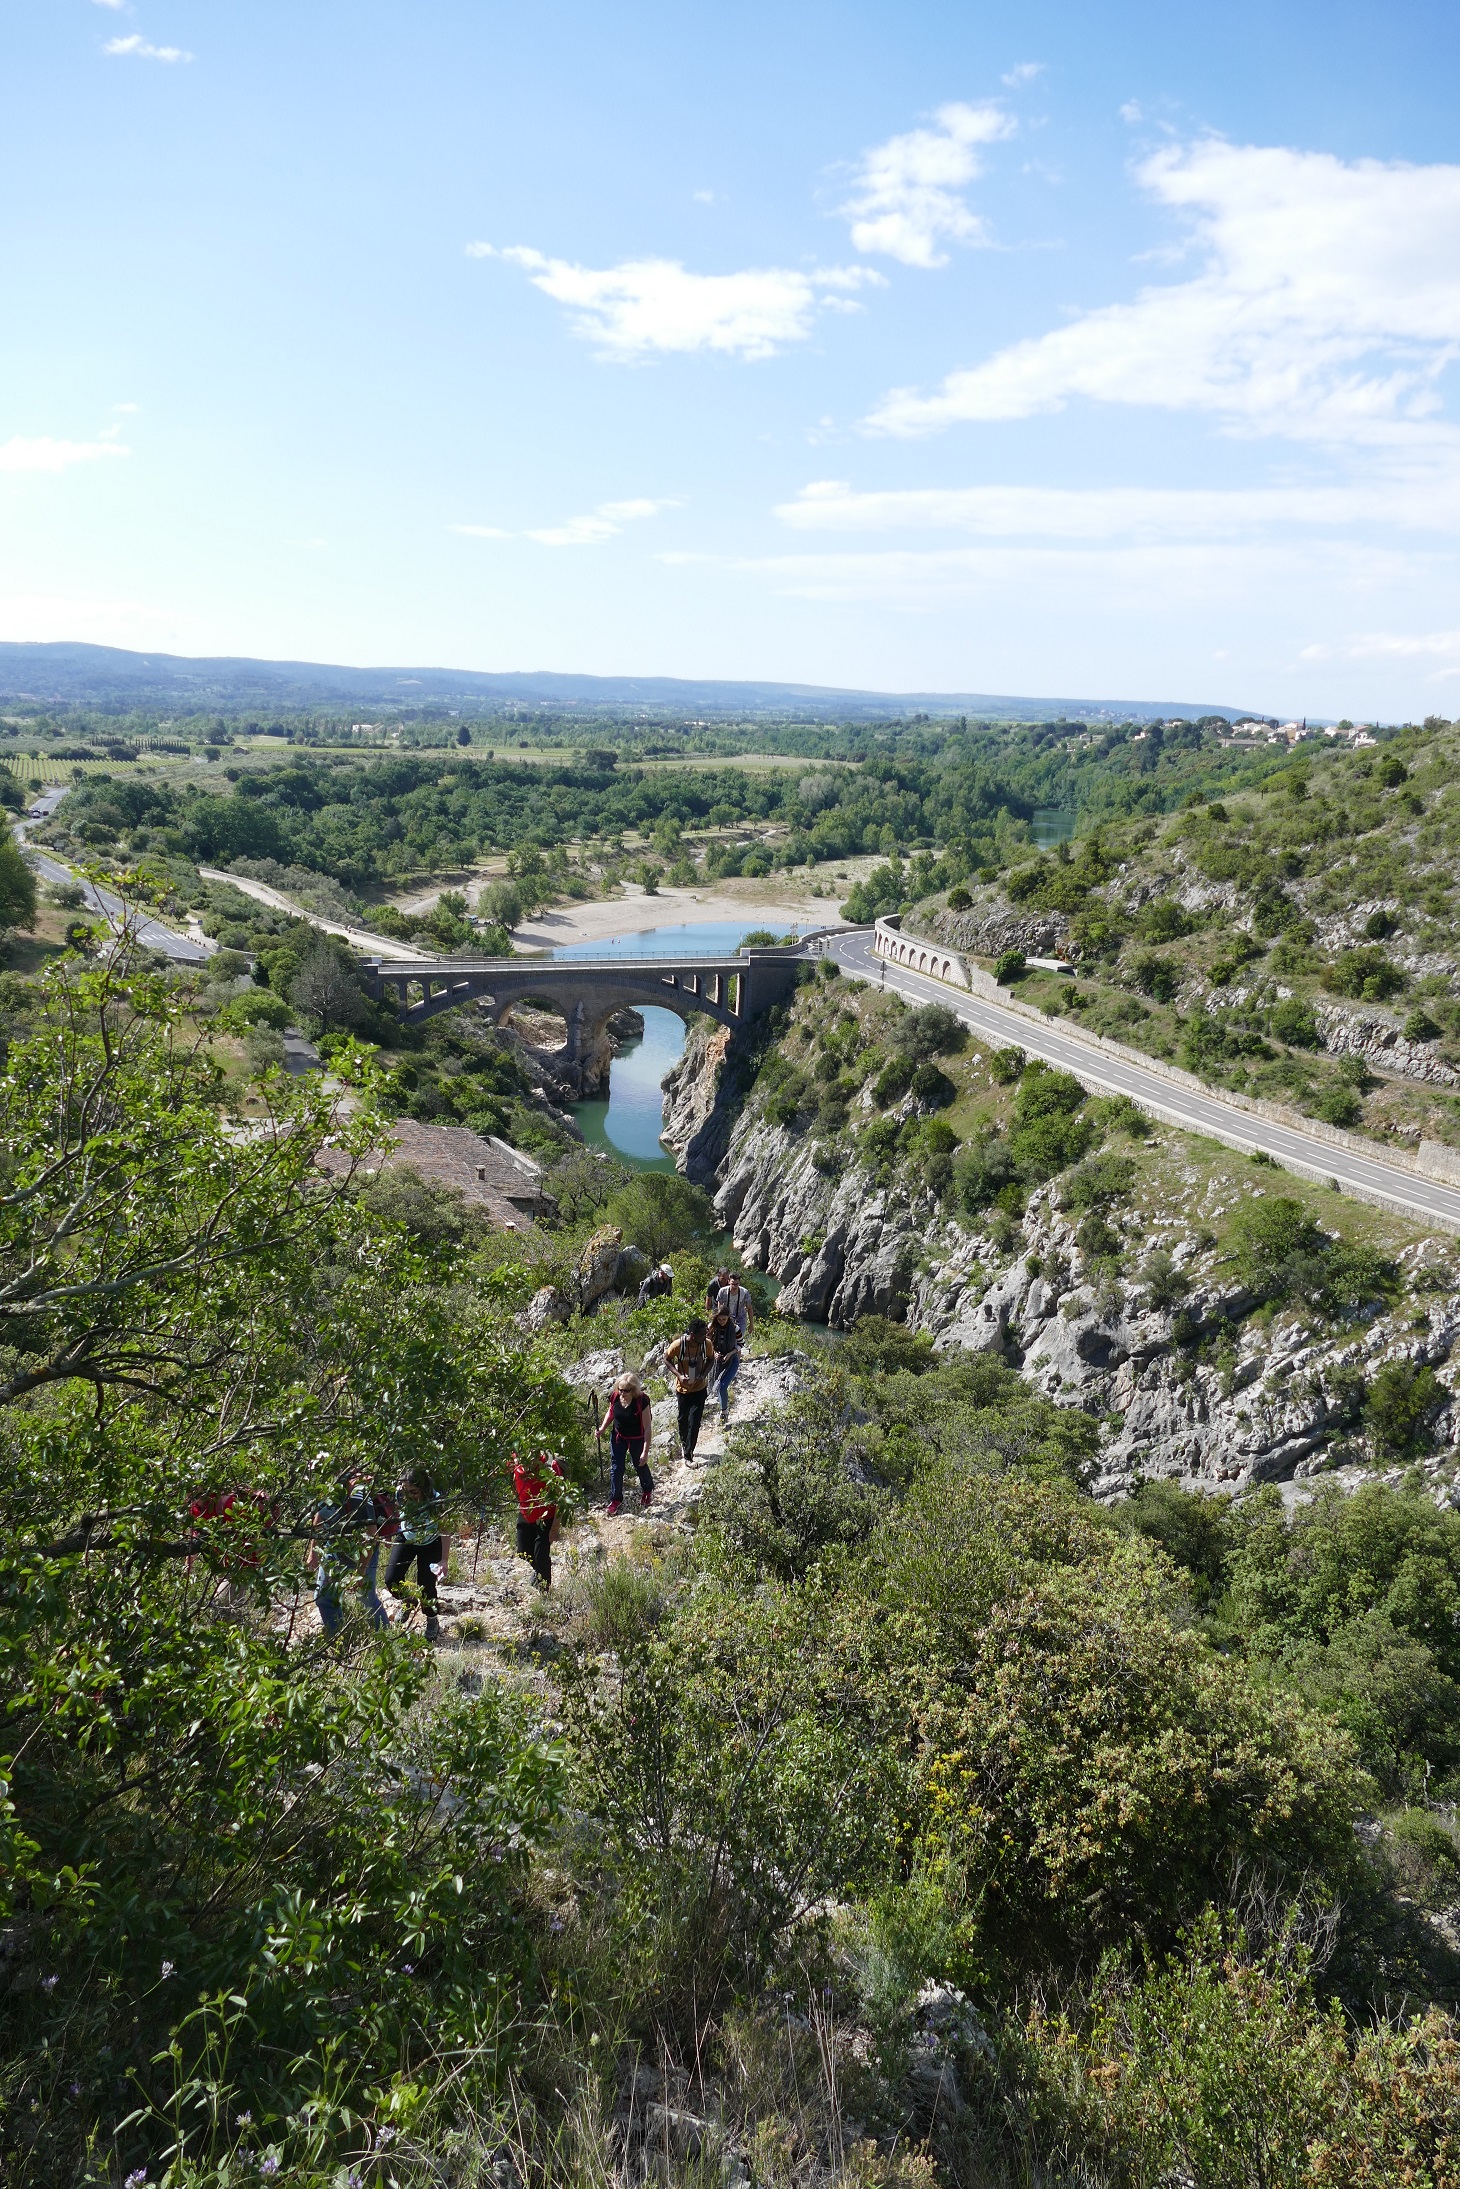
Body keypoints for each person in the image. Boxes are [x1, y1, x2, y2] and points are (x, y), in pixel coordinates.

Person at [310, 1468, 389, 1638]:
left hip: (362, 1553)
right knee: (324, 1598)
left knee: (366, 1598)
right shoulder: (327, 1492)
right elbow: (319, 1516)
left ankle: (386, 1636)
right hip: (334, 1551)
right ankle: (337, 1637)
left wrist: (359, 1571)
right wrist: (313, 1552)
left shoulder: (359, 1497)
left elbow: (371, 1535)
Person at [384, 1464, 445, 1641]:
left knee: (426, 1584)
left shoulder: (436, 1501)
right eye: (405, 1490)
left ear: (423, 1488)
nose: (408, 1495)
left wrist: (445, 1559)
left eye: (413, 1491)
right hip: (407, 1537)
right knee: (391, 1579)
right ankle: (409, 1600)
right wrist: (390, 1532)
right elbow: (398, 1512)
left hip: (431, 1541)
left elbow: (446, 1530)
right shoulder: (399, 1493)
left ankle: (432, 1619)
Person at [599, 1371, 654, 1516]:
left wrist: (645, 1451)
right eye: (620, 1389)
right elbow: (611, 1412)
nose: (622, 1393)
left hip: (637, 1438)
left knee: (640, 1464)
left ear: (634, 1390)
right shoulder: (615, 1396)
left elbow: (648, 1427)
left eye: (626, 1390)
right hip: (619, 1436)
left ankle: (647, 1490)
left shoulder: (641, 1401)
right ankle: (615, 1499)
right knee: (616, 1468)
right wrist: (602, 1428)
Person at [511, 1448, 565, 1588]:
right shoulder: (516, 1461)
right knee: (523, 1552)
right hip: (525, 1513)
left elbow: (560, 1499)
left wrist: (554, 1529)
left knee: (541, 1555)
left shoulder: (550, 1466)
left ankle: (545, 1592)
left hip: (546, 1517)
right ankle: (538, 1572)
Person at [666, 1318, 714, 1463]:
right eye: (701, 1335)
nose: (704, 1337)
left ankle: (688, 1454)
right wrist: (679, 1375)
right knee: (682, 1420)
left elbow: (711, 1359)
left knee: (695, 1422)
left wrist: (703, 1375)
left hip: (699, 1389)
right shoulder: (678, 1345)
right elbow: (667, 1359)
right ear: (692, 1335)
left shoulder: (707, 1344)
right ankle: (684, 1443)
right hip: (683, 1390)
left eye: (705, 1334)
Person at [707, 1302, 742, 1426]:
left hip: (731, 1360)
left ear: (728, 1318)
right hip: (716, 1361)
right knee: (713, 1385)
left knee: (722, 1386)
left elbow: (740, 1344)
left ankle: (724, 1411)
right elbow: (708, 1343)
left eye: (724, 1319)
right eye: (720, 1319)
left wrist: (731, 1353)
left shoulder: (735, 1328)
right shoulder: (711, 1327)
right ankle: (722, 1409)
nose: (722, 1321)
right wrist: (714, 1352)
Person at [716, 1272, 754, 1345]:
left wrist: (751, 1324)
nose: (735, 1286)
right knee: (726, 1339)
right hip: (727, 1318)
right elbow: (719, 1308)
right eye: (733, 1284)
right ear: (729, 1282)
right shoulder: (722, 1291)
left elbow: (749, 1308)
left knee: (738, 1340)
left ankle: (736, 1355)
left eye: (737, 1284)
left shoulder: (745, 1292)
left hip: (740, 1318)